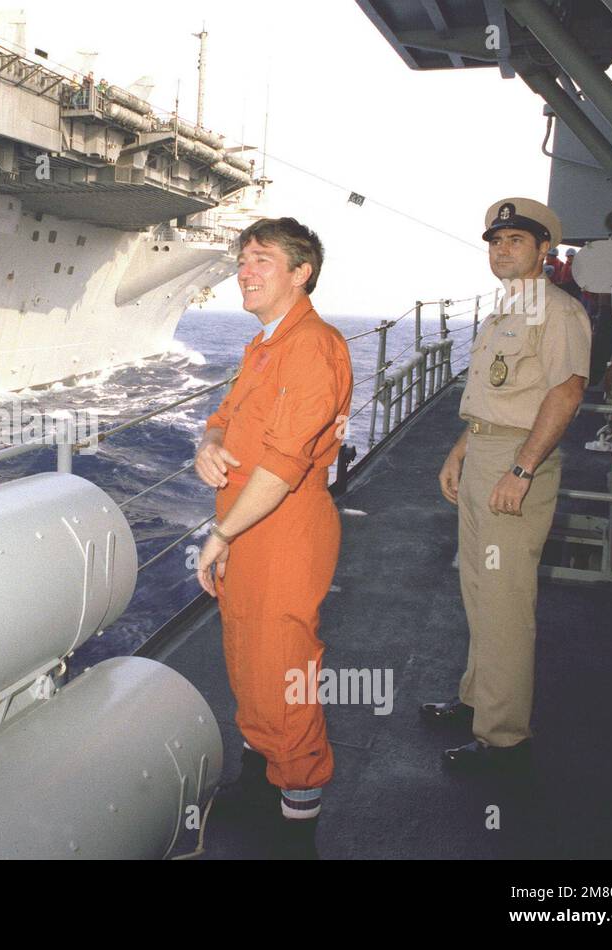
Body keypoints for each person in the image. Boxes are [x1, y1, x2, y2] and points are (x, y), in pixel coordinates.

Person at [194, 217, 353, 859]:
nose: (244, 270)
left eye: (261, 259)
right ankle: (263, 787)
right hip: (246, 527)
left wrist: (220, 534)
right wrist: (208, 444)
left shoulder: (312, 346)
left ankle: (297, 832)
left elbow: (285, 467)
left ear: (300, 272)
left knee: (286, 676)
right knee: (249, 666)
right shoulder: (264, 345)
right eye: (241, 259)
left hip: (283, 529)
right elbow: (226, 418)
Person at [423, 198, 591, 770]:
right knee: (478, 588)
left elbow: (564, 394)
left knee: (504, 600)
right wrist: (461, 452)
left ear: (545, 251)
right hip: (486, 453)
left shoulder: (557, 312)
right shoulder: (505, 311)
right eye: (496, 241)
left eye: (517, 240)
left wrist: (521, 470)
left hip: (518, 463)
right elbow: (494, 398)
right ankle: (477, 699)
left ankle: (502, 739)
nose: (502, 250)